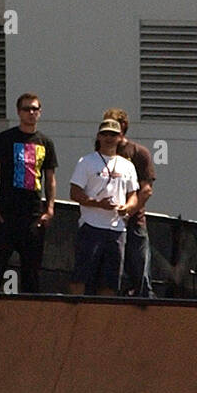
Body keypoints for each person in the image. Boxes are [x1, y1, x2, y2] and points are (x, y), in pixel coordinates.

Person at [0, 92, 57, 293]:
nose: (31, 113)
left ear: (40, 112)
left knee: (32, 274)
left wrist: (49, 208)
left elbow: (50, 178)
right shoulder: (5, 139)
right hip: (5, 215)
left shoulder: (45, 142)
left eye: (34, 109)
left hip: (33, 216)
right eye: (26, 109)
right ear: (18, 112)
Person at [69, 117, 139, 297]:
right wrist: (96, 203)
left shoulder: (127, 165)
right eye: (105, 134)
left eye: (113, 134)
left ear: (120, 137)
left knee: (111, 280)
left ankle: (103, 319)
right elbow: (74, 193)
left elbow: (133, 196)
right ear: (98, 136)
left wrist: (127, 208)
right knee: (81, 277)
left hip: (117, 229)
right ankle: (75, 316)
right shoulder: (86, 161)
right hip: (91, 227)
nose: (109, 138)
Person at [102, 107, 155, 297]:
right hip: (104, 222)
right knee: (108, 273)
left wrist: (129, 211)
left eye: (113, 128)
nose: (109, 135)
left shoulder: (139, 152)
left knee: (139, 270)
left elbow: (146, 190)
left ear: (123, 127)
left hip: (133, 222)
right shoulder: (100, 153)